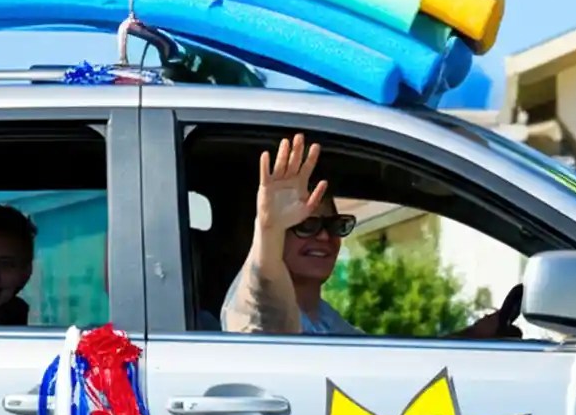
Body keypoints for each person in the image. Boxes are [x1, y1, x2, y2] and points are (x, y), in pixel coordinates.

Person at [220, 134, 518, 338]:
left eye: (335, 225)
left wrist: (473, 336)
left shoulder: (324, 318)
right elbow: (266, 304)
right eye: (306, 224)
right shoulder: (254, 305)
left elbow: (388, 367)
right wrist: (269, 229)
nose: (324, 237)